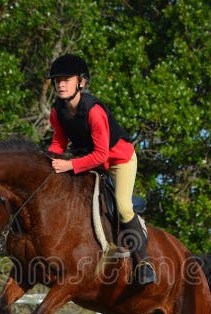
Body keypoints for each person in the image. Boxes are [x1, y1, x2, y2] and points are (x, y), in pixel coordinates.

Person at [46, 54, 156, 285]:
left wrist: (68, 164)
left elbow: (102, 155)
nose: (61, 84)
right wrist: (46, 161)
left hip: (118, 161)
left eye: (67, 79)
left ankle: (144, 261)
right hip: (88, 159)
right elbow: (59, 143)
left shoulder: (94, 111)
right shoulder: (58, 111)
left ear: (82, 82)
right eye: (58, 80)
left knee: (124, 207)